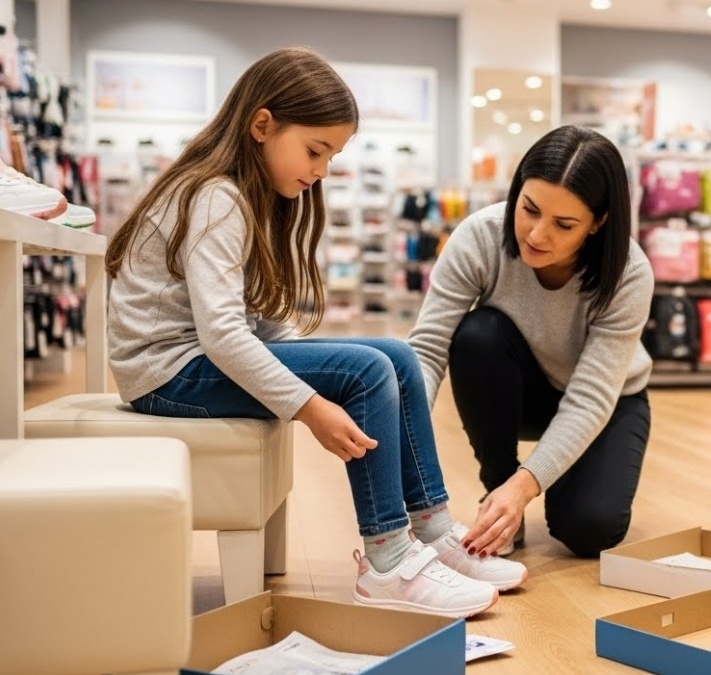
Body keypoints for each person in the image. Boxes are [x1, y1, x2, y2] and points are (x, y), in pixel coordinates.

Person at [103, 47, 525, 619]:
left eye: (331, 155)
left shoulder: (243, 195)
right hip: (166, 373)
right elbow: (225, 336)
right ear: (261, 126)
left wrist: (322, 361)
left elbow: (250, 317)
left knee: (395, 355)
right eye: (315, 150)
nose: (322, 169)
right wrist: (310, 406)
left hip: (190, 358)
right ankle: (387, 561)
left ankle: (430, 531)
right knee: (368, 370)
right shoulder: (218, 197)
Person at [408, 125, 654, 559]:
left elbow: (590, 399)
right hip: (519, 390)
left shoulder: (629, 273)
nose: (537, 235)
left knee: (590, 530)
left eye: (564, 224)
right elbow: (426, 350)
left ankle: (516, 496)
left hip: (606, 400)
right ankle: (497, 496)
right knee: (477, 334)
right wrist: (404, 440)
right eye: (529, 209)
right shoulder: (479, 236)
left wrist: (527, 487)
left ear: (598, 223)